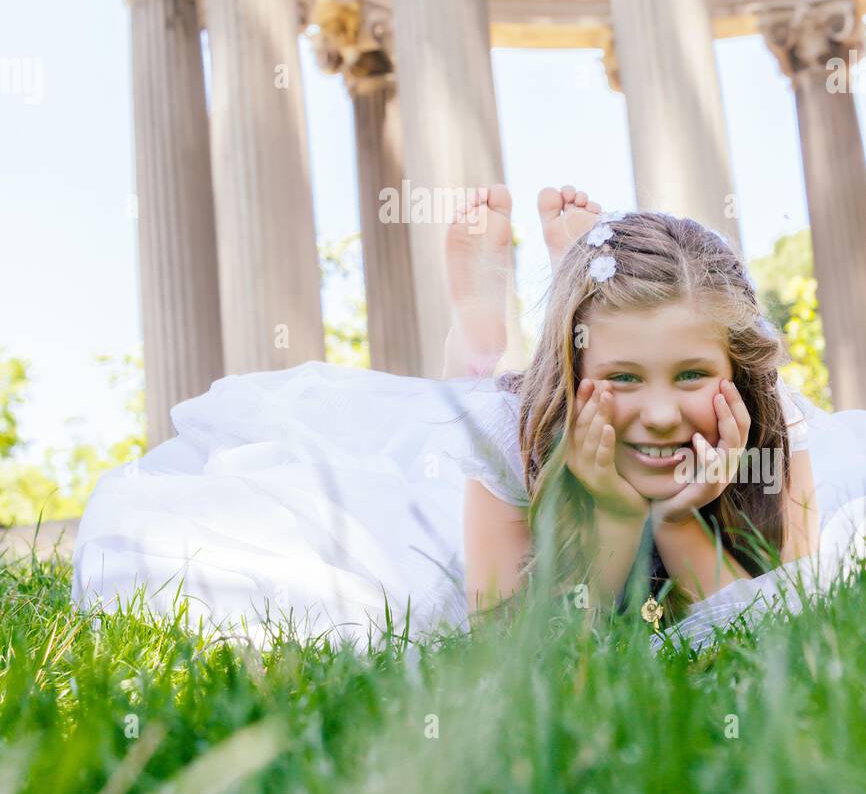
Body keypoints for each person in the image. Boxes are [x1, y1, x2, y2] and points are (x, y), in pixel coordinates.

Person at [71, 189, 866, 653]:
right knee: (471, 399)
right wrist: (618, 515)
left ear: (735, 375)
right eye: (622, 379)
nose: (660, 414)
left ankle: (568, 272)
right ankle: (485, 330)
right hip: (509, 417)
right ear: (580, 377)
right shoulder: (503, 455)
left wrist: (682, 517)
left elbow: (757, 626)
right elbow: (533, 654)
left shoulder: (777, 449)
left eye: (693, 376)